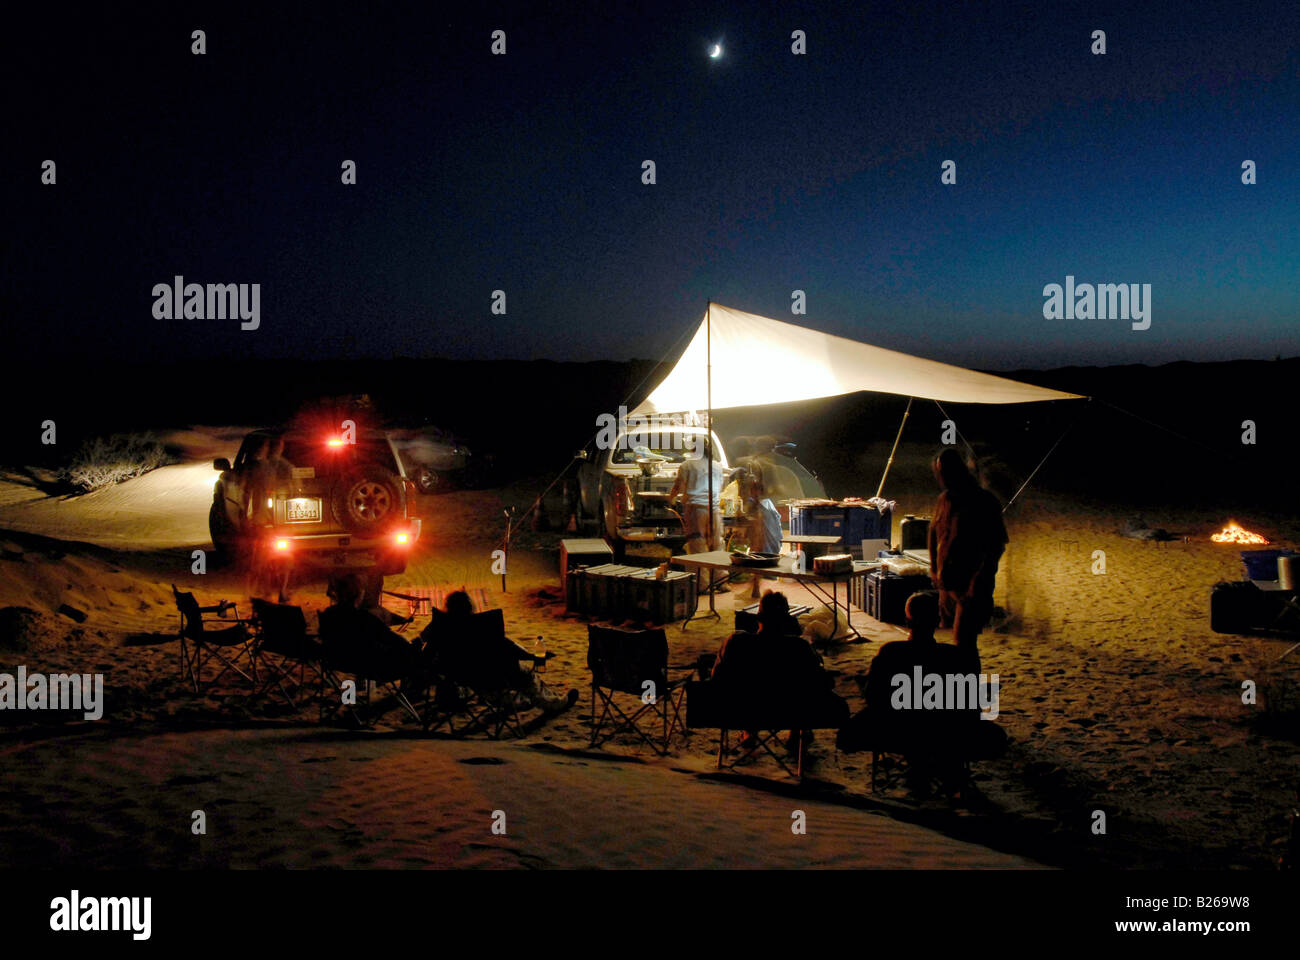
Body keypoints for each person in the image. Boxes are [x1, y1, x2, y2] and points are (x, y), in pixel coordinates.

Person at [837, 591, 986, 792]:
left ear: (908, 621)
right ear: (937, 620)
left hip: (897, 731)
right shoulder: (953, 656)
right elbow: (970, 704)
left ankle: (919, 764)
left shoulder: (891, 653)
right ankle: (944, 765)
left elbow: (876, 698)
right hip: (944, 732)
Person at [711, 590, 845, 755]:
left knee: (750, 687)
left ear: (758, 618)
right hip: (788, 710)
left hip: (743, 709)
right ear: (787, 620)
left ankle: (749, 731)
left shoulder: (735, 642)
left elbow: (717, 679)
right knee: (804, 689)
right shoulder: (799, 648)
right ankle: (798, 732)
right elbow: (821, 684)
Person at [418, 590, 577, 714]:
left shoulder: (439, 625)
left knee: (504, 676)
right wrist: (533, 656)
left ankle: (516, 702)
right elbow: (507, 647)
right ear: (469, 607)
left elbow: (425, 646)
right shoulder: (481, 626)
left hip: (460, 677)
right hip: (491, 675)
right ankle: (557, 703)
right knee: (529, 677)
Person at [927, 447, 1008, 666]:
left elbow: (995, 547)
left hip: (972, 586)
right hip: (948, 581)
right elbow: (933, 532)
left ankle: (969, 690)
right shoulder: (944, 499)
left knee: (965, 642)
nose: (941, 478)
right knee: (952, 640)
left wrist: (977, 581)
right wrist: (934, 568)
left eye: (944, 472)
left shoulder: (984, 501)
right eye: (939, 473)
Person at [318, 572, 419, 684]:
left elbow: (323, 635)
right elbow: (393, 640)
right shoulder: (364, 618)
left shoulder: (327, 615)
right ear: (359, 595)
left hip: (335, 660)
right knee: (411, 657)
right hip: (365, 666)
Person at [668, 435, 726, 553]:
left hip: (695, 510)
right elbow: (720, 487)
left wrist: (670, 500)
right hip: (714, 509)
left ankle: (700, 571)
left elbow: (678, 487)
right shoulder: (717, 466)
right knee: (716, 543)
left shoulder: (687, 465)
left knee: (697, 542)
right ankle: (718, 571)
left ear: (692, 448)